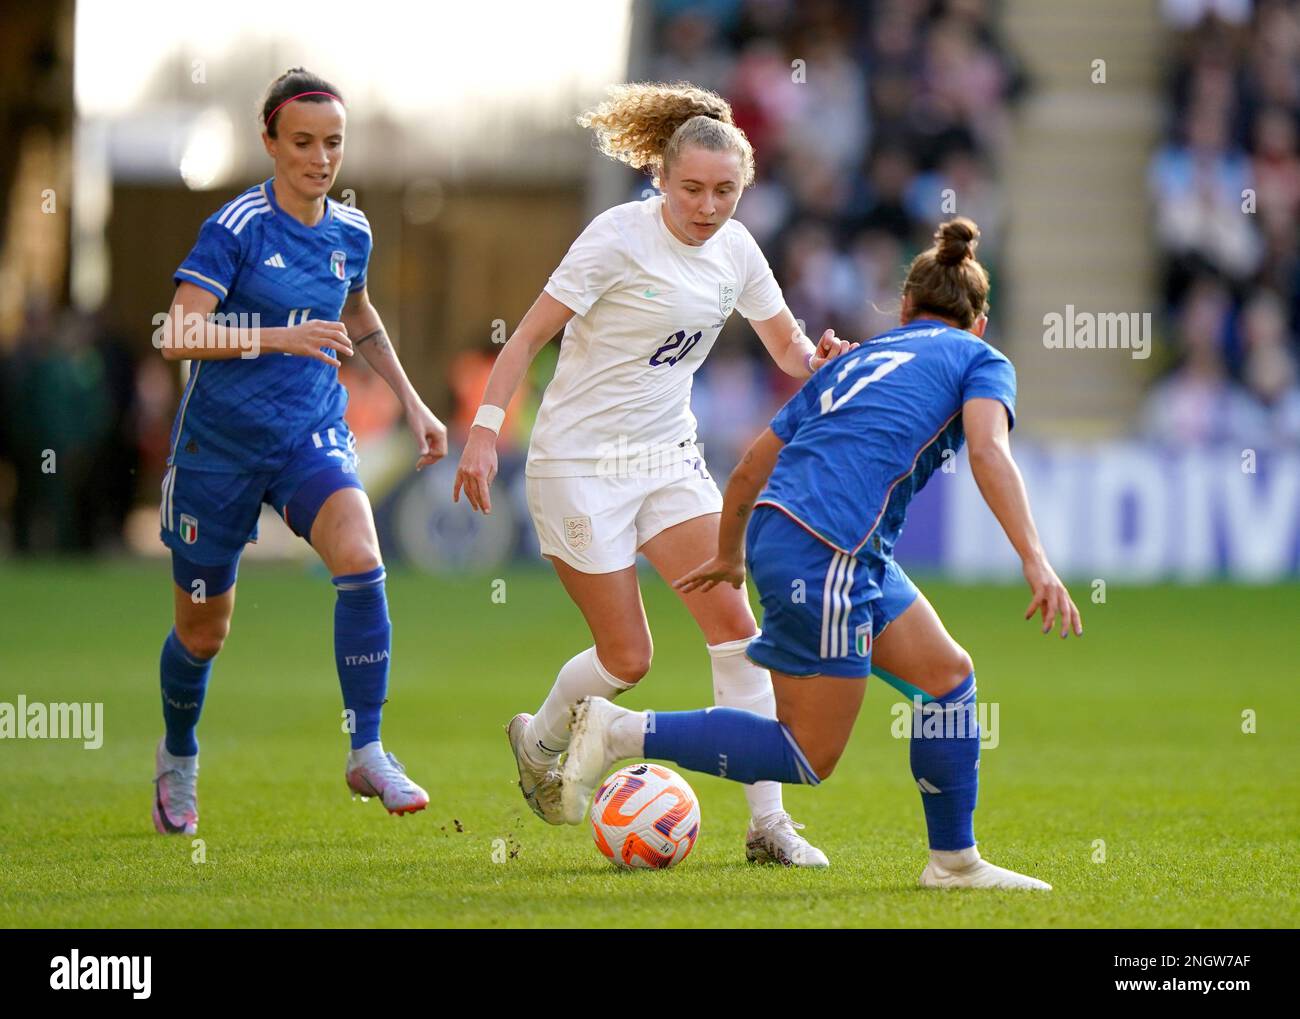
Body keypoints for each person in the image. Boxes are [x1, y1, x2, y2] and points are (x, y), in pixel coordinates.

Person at [561, 217, 1083, 890]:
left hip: (799, 535)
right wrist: (1036, 561)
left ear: (903, 309)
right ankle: (617, 729)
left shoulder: (859, 357)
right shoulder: (981, 359)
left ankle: (954, 862)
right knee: (807, 752)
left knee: (948, 678)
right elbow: (987, 449)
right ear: (977, 323)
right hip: (831, 546)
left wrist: (732, 553)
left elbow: (749, 466)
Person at [453, 82, 855, 867]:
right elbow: (526, 338)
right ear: (662, 182)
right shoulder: (615, 238)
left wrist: (819, 362)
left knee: (739, 632)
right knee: (627, 660)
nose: (708, 206)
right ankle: (539, 740)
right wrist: (483, 432)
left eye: (726, 191)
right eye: (693, 189)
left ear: (745, 186)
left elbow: (788, 348)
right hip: (578, 462)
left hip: (667, 459)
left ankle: (767, 825)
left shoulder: (738, 249)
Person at [152, 68, 448, 834]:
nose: (320, 158)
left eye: (334, 144)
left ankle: (368, 747)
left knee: (360, 553)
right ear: (271, 143)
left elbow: (360, 313)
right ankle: (179, 754)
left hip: (309, 434)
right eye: (304, 142)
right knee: (203, 631)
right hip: (219, 450)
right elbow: (176, 332)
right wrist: (279, 336)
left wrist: (414, 405)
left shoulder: (352, 232)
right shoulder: (238, 227)